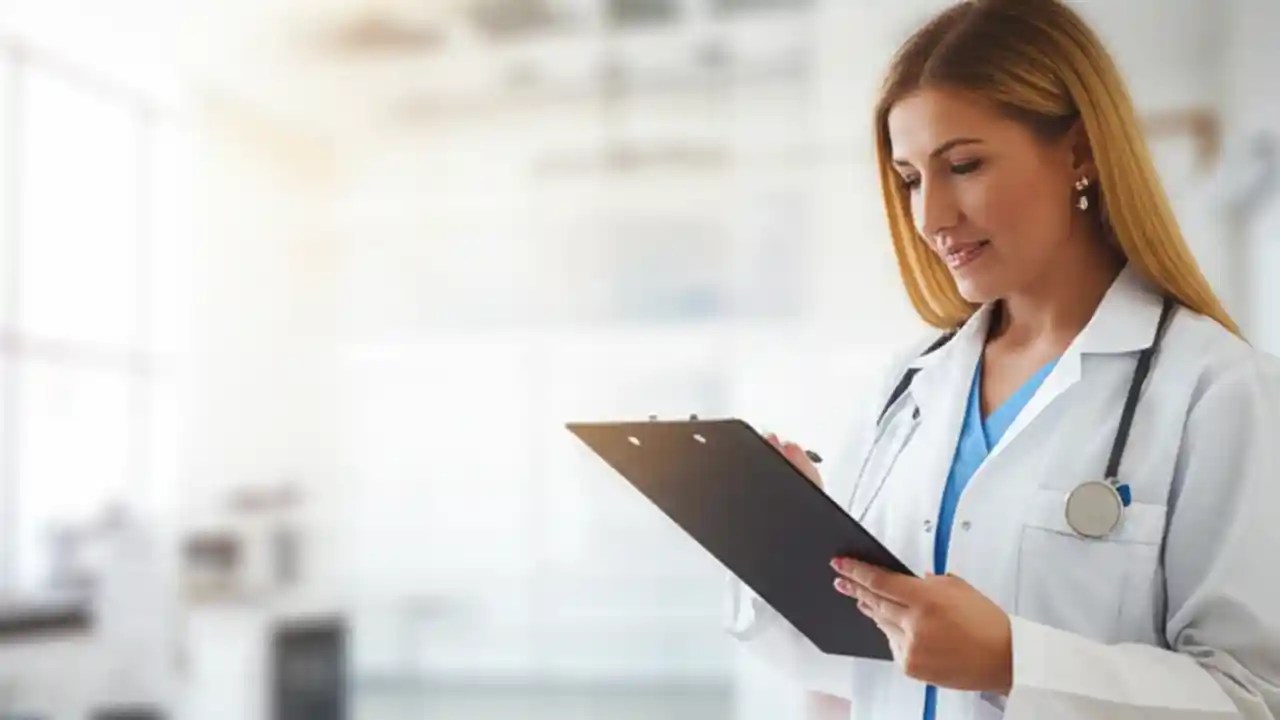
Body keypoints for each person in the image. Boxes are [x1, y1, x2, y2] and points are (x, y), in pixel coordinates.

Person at [724, 1, 1280, 718]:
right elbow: (842, 677)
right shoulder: (908, 386)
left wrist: (1014, 663)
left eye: (963, 165)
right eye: (912, 178)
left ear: (1079, 152)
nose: (930, 218)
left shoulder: (1219, 391)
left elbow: (1253, 696)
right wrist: (788, 551)